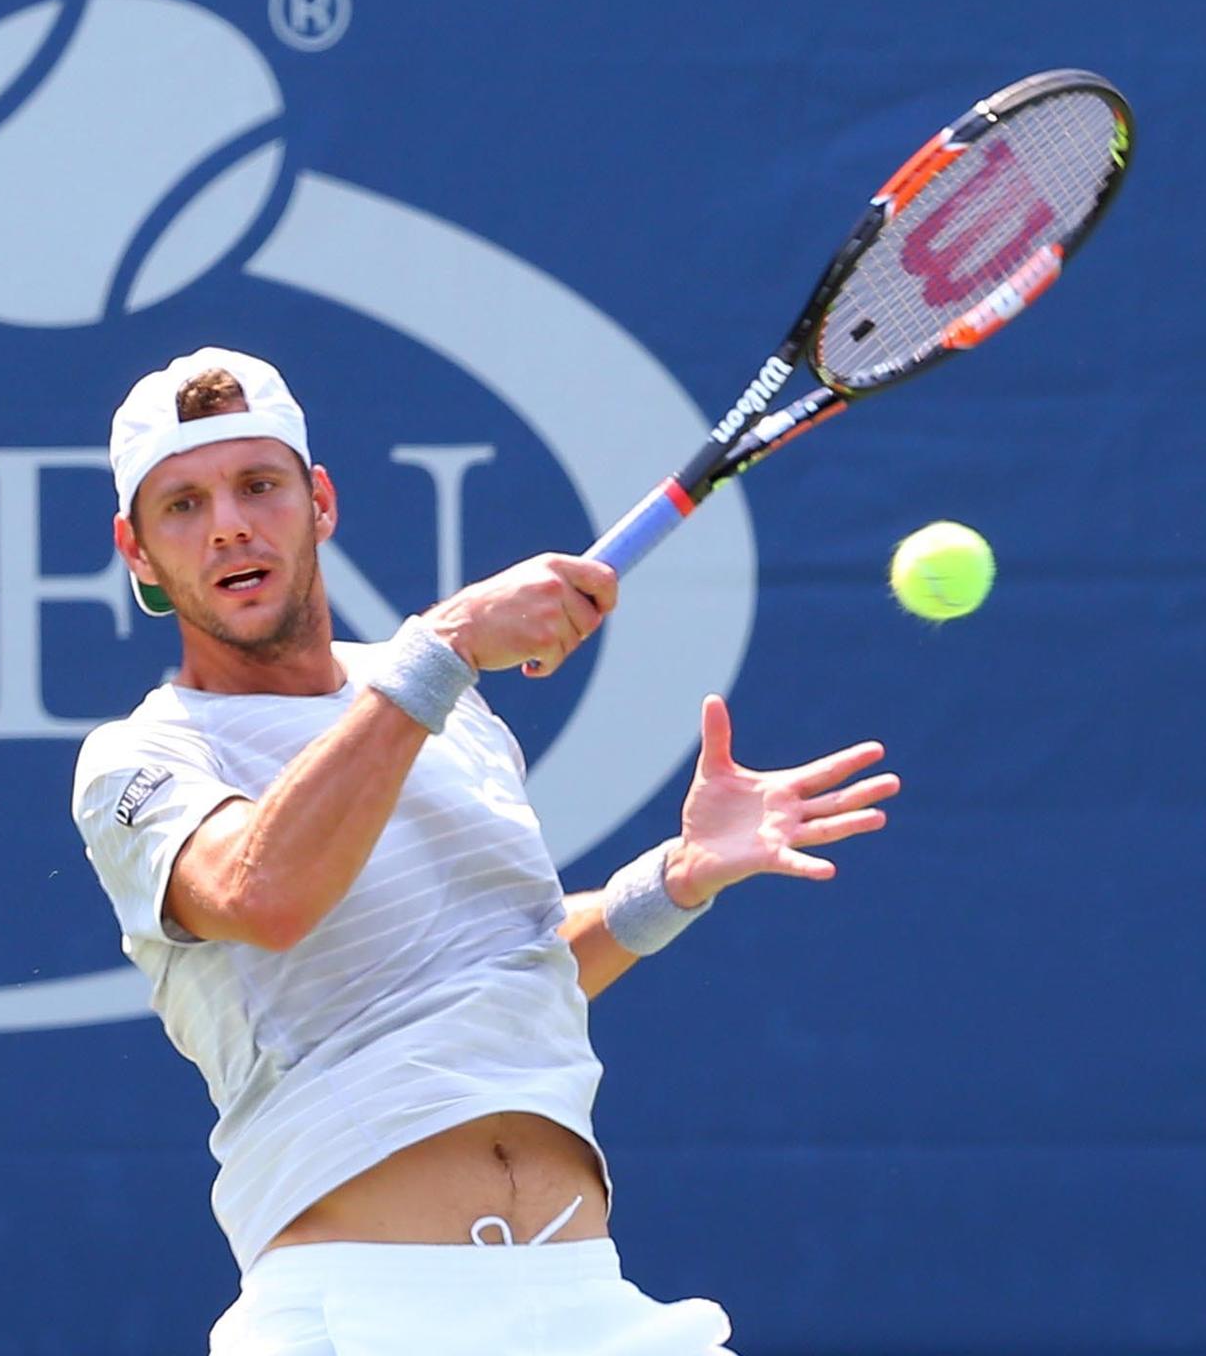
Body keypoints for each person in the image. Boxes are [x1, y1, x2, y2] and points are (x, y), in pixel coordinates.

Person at [71, 349, 901, 1354]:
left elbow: (506, 963)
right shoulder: (139, 760)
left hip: (587, 1301)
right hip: (353, 1315)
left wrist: (670, 880)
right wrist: (450, 642)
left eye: (258, 486)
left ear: (318, 502)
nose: (230, 525)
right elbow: (264, 895)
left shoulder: (447, 712)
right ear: (137, 550)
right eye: (183, 506)